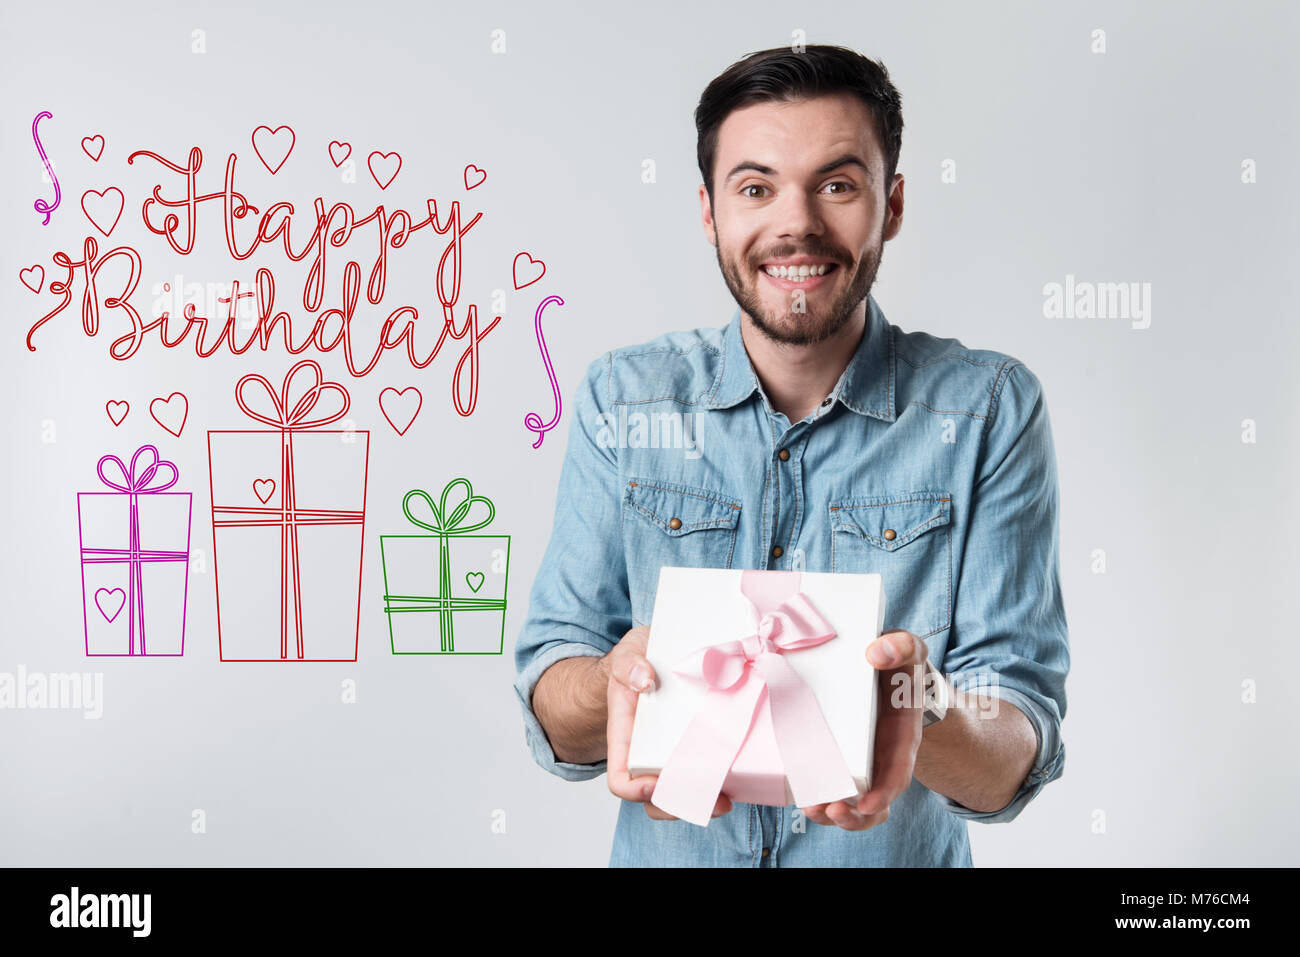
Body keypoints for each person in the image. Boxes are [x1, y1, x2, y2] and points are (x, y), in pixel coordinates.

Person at [512, 44, 1069, 866]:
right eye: (756, 188)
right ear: (710, 212)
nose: (796, 223)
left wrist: (918, 700)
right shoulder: (622, 401)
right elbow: (553, 703)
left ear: (894, 204)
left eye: (837, 185)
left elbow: (1012, 756)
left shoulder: (988, 410)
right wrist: (617, 679)